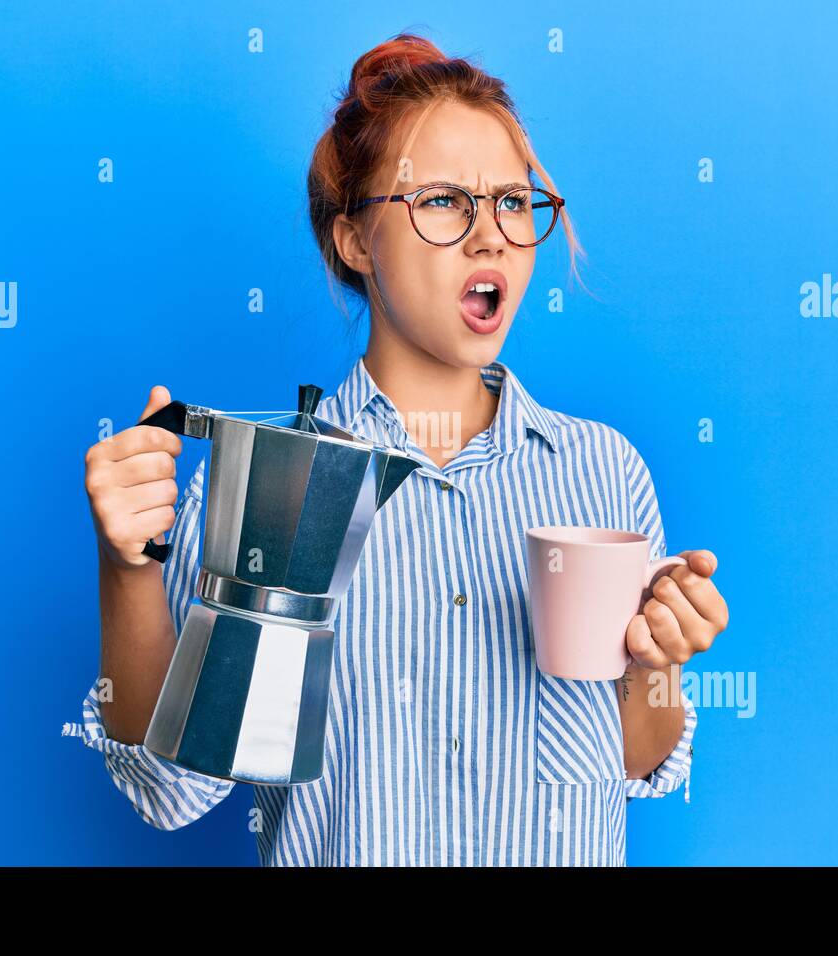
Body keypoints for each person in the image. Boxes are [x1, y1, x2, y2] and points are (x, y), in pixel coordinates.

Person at [65, 31, 728, 865]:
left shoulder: (603, 473)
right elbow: (169, 790)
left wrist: (658, 660)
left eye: (514, 202)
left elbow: (633, 755)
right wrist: (126, 567)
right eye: (444, 201)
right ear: (354, 242)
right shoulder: (278, 486)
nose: (492, 236)